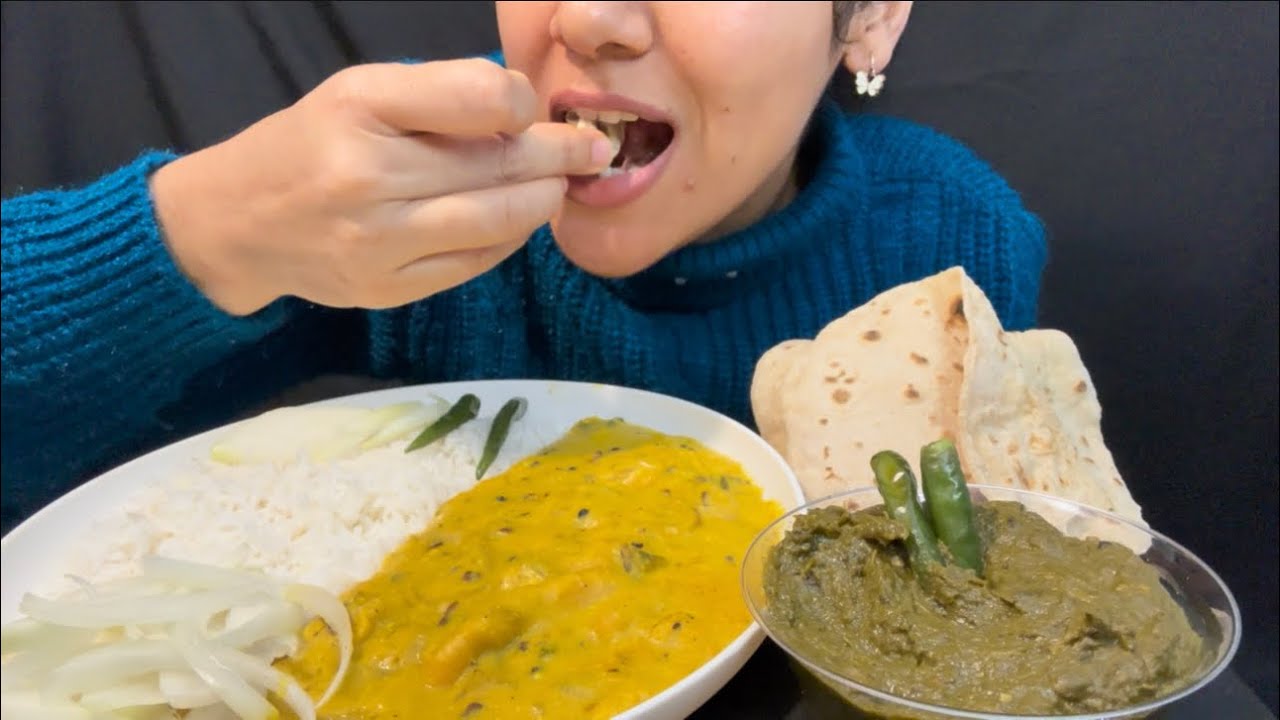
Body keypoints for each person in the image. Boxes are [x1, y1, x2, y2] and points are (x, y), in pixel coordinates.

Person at [0, 1, 1046, 528]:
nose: (582, 20)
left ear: (868, 14)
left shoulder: (956, 243)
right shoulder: (402, 185)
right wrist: (203, 232)